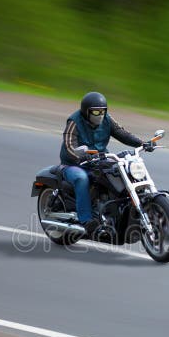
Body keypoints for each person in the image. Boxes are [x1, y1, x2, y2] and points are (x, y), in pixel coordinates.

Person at [59, 91, 154, 235]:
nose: (100, 115)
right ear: (86, 112)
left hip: (99, 159)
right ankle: (86, 220)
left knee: (121, 168)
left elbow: (122, 133)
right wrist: (81, 155)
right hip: (74, 164)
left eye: (103, 112)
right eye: (96, 112)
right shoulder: (74, 121)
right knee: (81, 178)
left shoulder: (106, 119)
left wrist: (142, 143)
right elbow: (69, 146)